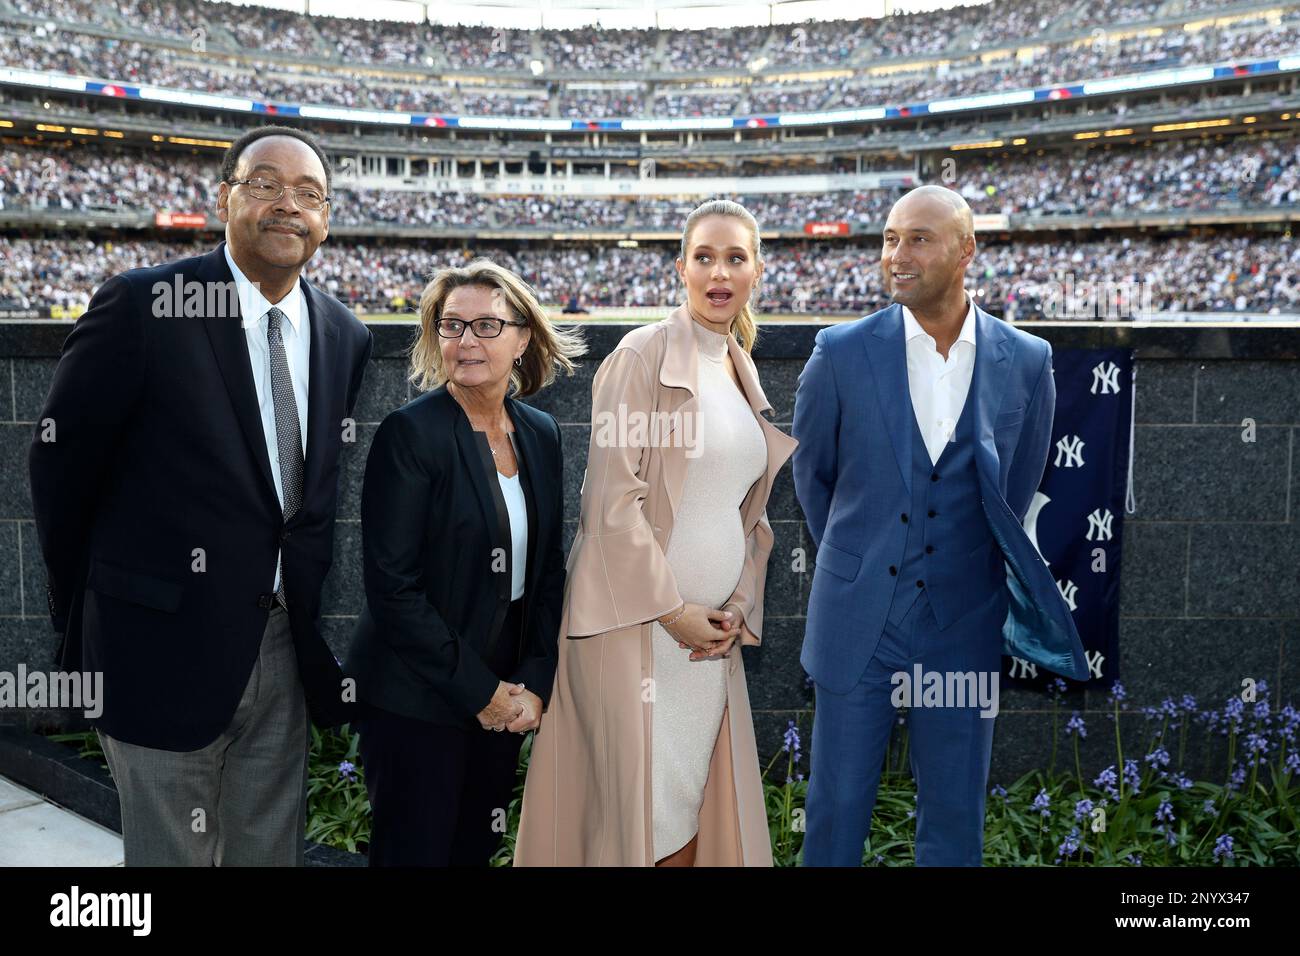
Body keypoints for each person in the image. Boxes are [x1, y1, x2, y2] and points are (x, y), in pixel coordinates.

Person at [28, 125, 373, 865]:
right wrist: (83, 612)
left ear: (328, 217)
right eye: (265, 185)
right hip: (152, 646)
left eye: (309, 194)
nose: (289, 205)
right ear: (225, 198)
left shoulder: (344, 332)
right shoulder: (143, 305)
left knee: (265, 853)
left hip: (279, 646)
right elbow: (60, 468)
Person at [792, 185, 1089, 867]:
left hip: (962, 624)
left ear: (966, 250)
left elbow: (1012, 492)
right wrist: (864, 560)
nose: (897, 254)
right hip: (857, 623)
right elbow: (817, 483)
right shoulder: (838, 352)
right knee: (835, 815)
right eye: (891, 238)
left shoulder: (1028, 360)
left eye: (919, 238)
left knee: (954, 823)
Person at [515, 199, 796, 867]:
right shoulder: (641, 354)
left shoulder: (738, 364)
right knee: (639, 824)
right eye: (704, 257)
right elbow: (611, 501)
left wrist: (734, 608)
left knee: (685, 814)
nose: (719, 272)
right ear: (681, 268)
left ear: (758, 270)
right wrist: (673, 613)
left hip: (703, 647)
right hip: (637, 632)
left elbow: (747, 517)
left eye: (735, 257)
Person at [345, 259, 583, 866]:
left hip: (505, 694)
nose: (466, 341)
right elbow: (394, 591)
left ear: (523, 336)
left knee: (474, 853)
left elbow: (547, 570)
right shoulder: (410, 434)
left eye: (485, 325)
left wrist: (531, 681)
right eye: (452, 326)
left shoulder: (541, 432)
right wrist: (482, 693)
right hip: (417, 699)